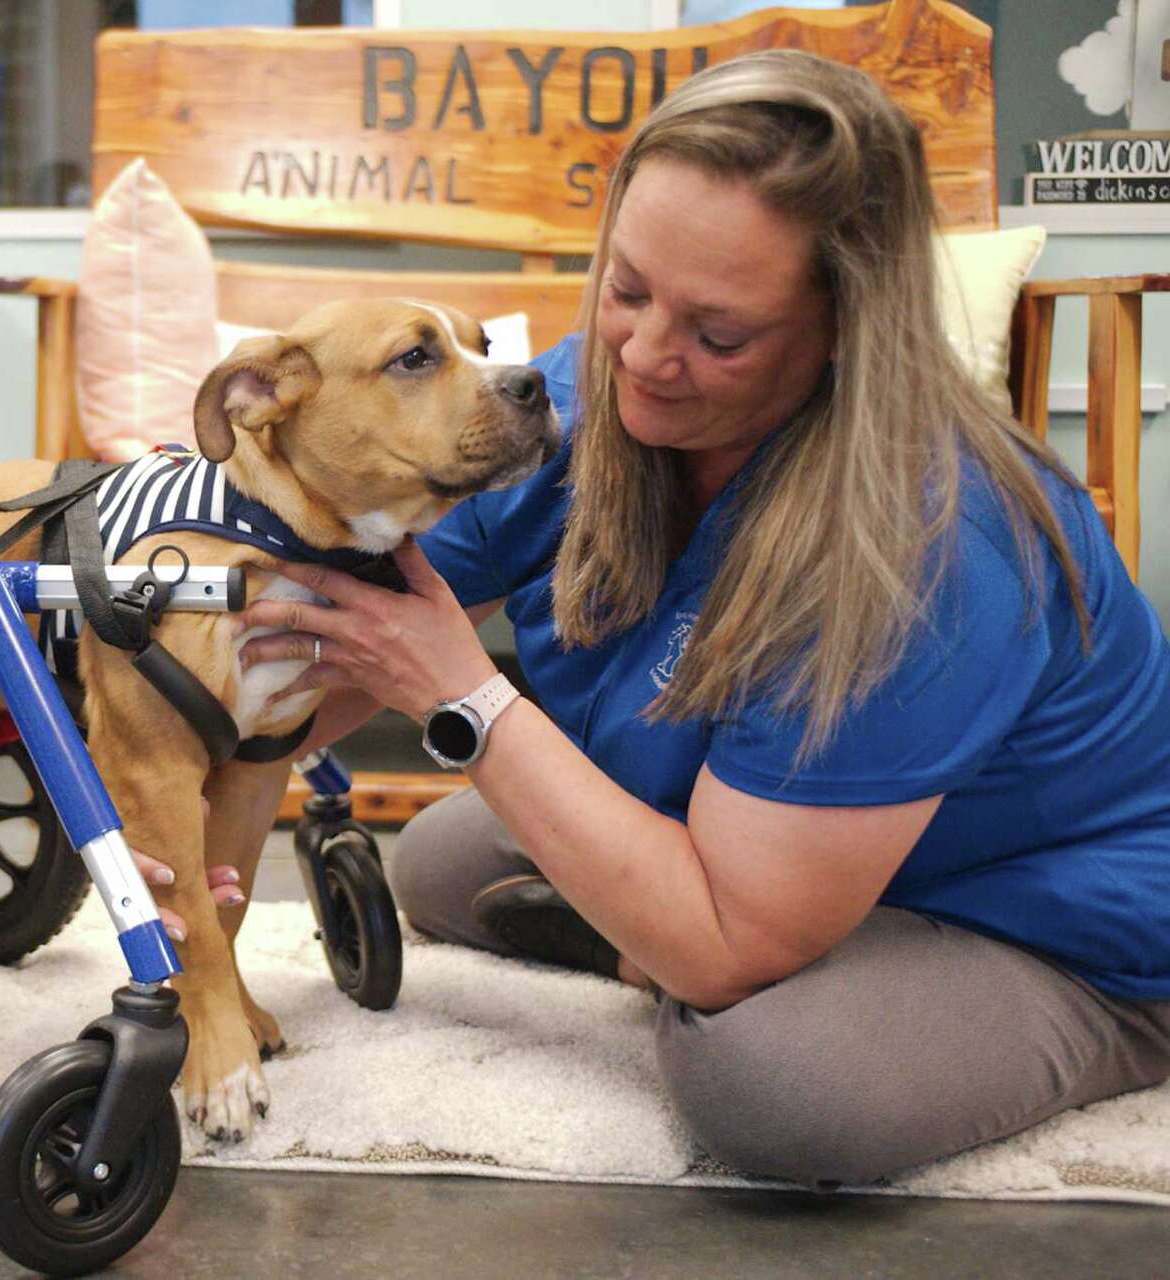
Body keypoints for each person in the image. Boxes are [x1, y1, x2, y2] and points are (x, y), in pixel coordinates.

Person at [211, 50, 1170, 1188]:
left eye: (719, 336)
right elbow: (342, 623)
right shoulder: (585, 396)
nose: (644, 356)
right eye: (627, 289)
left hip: (1042, 908)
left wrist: (463, 697)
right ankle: (684, 924)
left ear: (846, 329)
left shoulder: (935, 541)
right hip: (779, 837)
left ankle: (1083, 1021)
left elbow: (727, 943)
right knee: (441, 860)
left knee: (773, 1079)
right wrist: (162, 772)